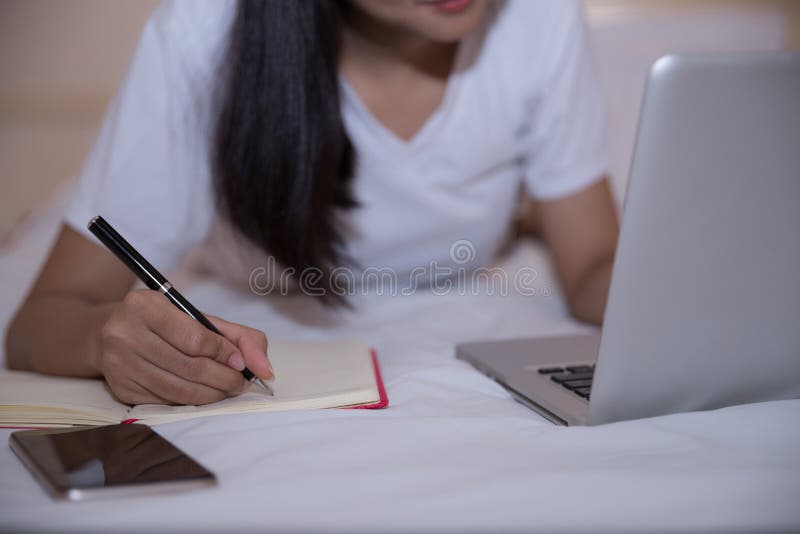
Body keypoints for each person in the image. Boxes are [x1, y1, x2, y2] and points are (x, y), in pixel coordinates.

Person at [5, 0, 619, 406]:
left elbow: (595, 267)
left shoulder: (539, 17)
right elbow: (40, 322)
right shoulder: (204, 35)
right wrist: (105, 342)